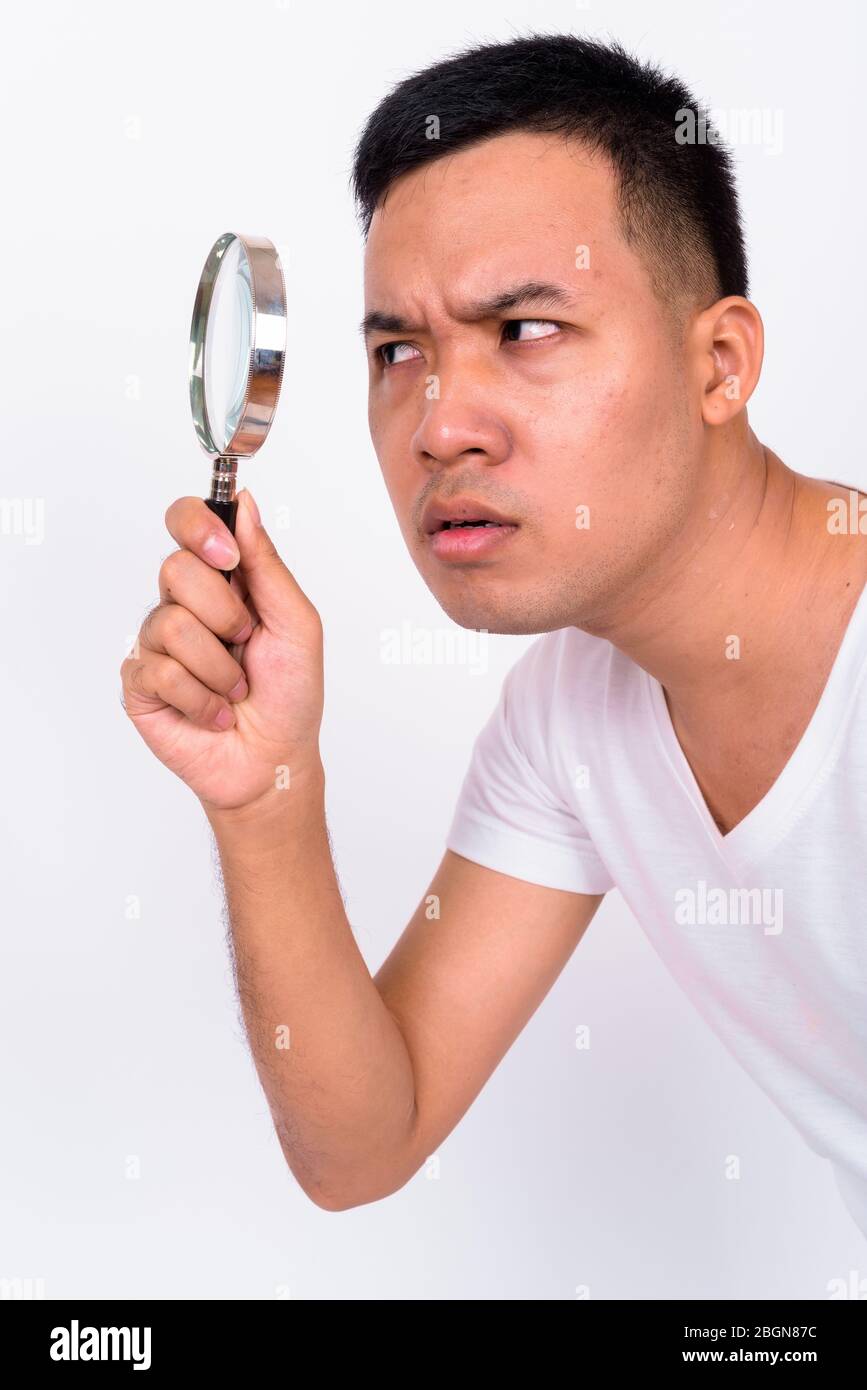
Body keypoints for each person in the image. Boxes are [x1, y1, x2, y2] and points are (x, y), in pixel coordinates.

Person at [119, 34, 867, 1236]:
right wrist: (264, 798)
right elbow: (367, 1139)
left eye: (522, 330)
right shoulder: (569, 718)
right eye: (397, 352)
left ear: (720, 362)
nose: (438, 423)